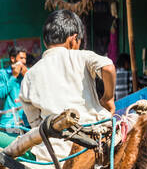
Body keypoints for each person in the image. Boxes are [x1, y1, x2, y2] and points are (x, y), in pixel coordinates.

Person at [18, 9, 115, 137]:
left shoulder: (29, 76)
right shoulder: (82, 56)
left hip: (52, 152)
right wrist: (108, 98)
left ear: (45, 42)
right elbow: (108, 67)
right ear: (74, 39)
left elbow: (37, 125)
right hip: (93, 141)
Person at [0, 46, 30, 129]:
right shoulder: (3, 73)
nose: (24, 61)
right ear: (13, 59)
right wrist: (14, 76)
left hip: (27, 118)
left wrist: (27, 76)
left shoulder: (28, 72)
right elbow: (1, 94)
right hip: (9, 119)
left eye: (25, 58)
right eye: (21, 58)